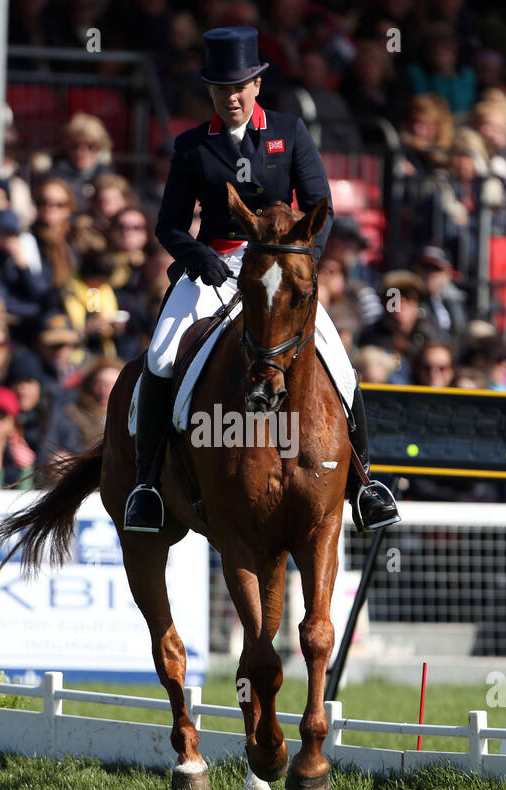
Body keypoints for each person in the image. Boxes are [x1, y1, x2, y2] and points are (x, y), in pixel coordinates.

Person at [128, 26, 398, 533]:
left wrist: (302, 264)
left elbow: (321, 207)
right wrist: (195, 254)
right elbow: (168, 223)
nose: (232, 97)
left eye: (240, 87)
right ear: (210, 91)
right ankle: (146, 486)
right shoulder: (191, 146)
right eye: (221, 89)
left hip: (279, 270)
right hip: (216, 265)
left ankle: (367, 485)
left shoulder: (290, 132)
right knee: (162, 356)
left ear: (256, 85)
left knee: (339, 361)